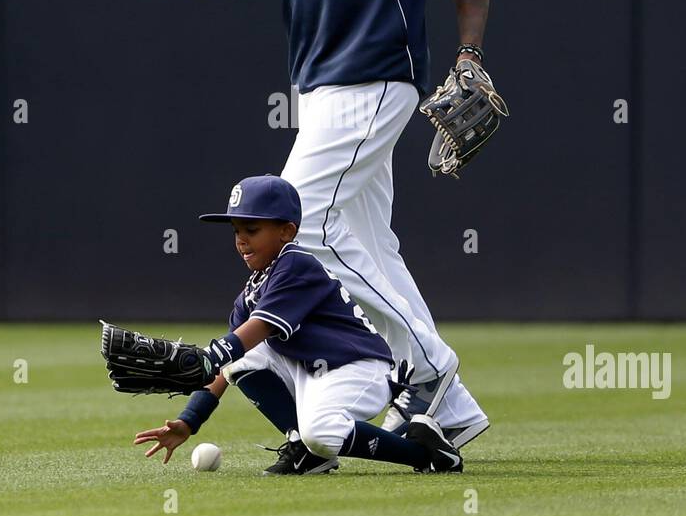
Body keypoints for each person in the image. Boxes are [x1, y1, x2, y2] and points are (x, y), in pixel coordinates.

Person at [156, 0, 492, 446]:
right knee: (371, 242)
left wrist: (467, 54)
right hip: (316, 83)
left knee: (298, 227)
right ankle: (452, 405)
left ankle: (429, 371)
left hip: (379, 73)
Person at [132, 175, 463, 474]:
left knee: (321, 432)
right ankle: (307, 451)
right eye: (236, 230)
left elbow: (259, 328)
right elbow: (229, 361)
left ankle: (425, 453)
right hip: (311, 372)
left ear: (286, 231)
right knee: (237, 360)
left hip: (356, 369)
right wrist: (189, 421)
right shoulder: (253, 289)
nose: (241, 240)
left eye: (252, 229)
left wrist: (206, 356)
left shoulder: (297, 264)